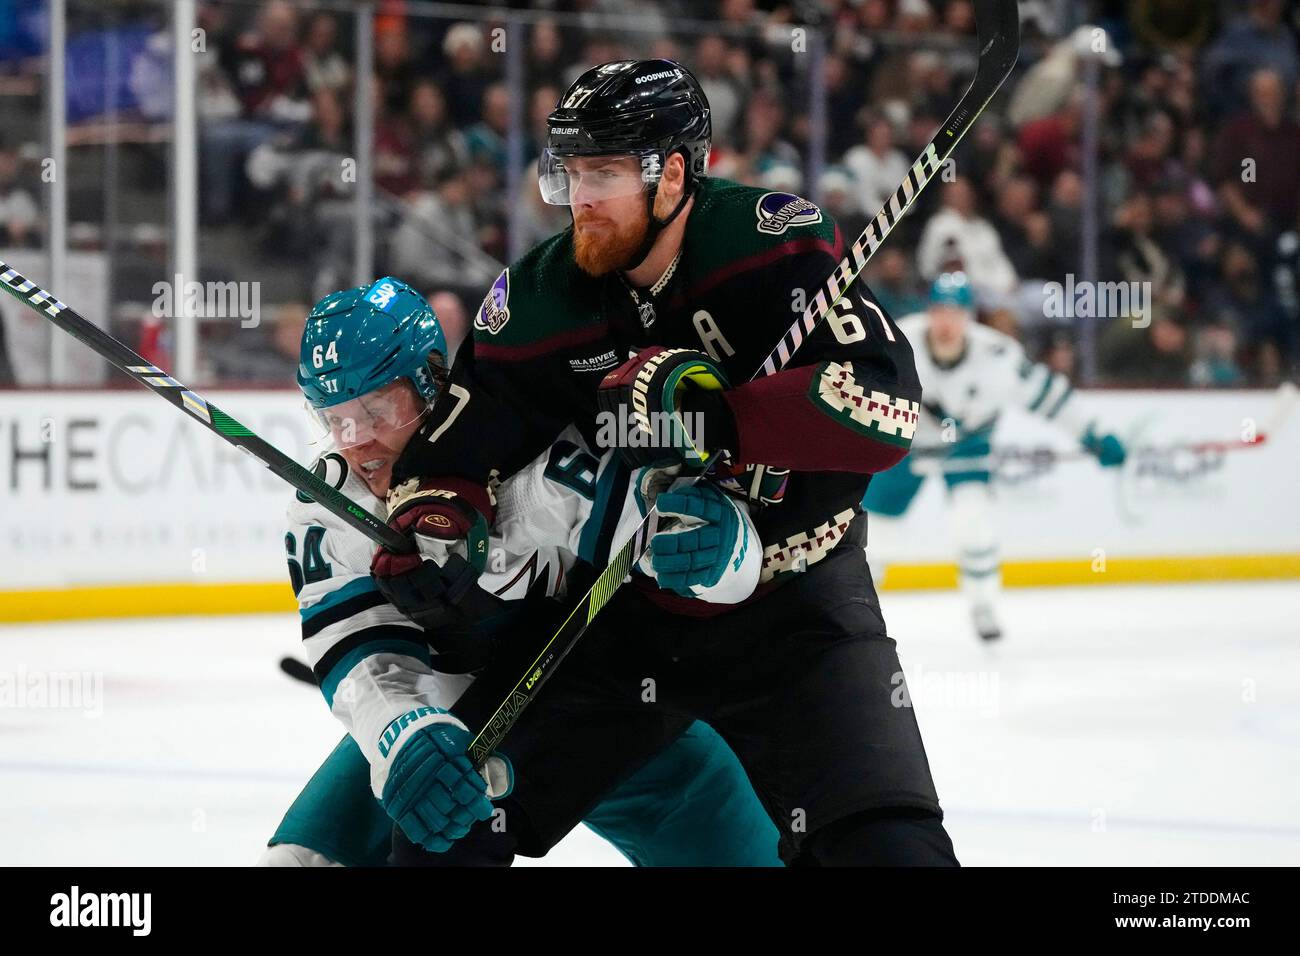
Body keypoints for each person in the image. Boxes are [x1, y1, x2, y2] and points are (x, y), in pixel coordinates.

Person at [369, 60, 955, 866]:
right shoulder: (538, 299)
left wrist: (724, 421)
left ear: (673, 173)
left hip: (794, 605)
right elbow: (453, 455)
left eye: (604, 173)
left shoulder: (770, 248)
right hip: (619, 610)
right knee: (448, 820)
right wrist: (436, 525)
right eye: (571, 173)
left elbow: (885, 411)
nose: (580, 198)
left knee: (891, 849)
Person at [264, 276, 781, 866]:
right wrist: (404, 733)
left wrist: (718, 551)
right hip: (453, 717)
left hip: (602, 708)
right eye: (335, 419)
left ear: (431, 382)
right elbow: (357, 645)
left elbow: (686, 543)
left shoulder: (528, 455)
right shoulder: (329, 504)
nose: (356, 442)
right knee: (300, 862)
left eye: (375, 411)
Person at [862, 273, 1126, 641]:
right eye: (940, 311)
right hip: (907, 445)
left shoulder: (998, 356)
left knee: (973, 522)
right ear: (929, 311)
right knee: (876, 532)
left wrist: (1094, 433)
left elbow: (1050, 396)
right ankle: (860, 604)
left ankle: (983, 605)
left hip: (967, 446)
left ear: (970, 316)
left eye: (956, 313)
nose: (947, 322)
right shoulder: (897, 341)